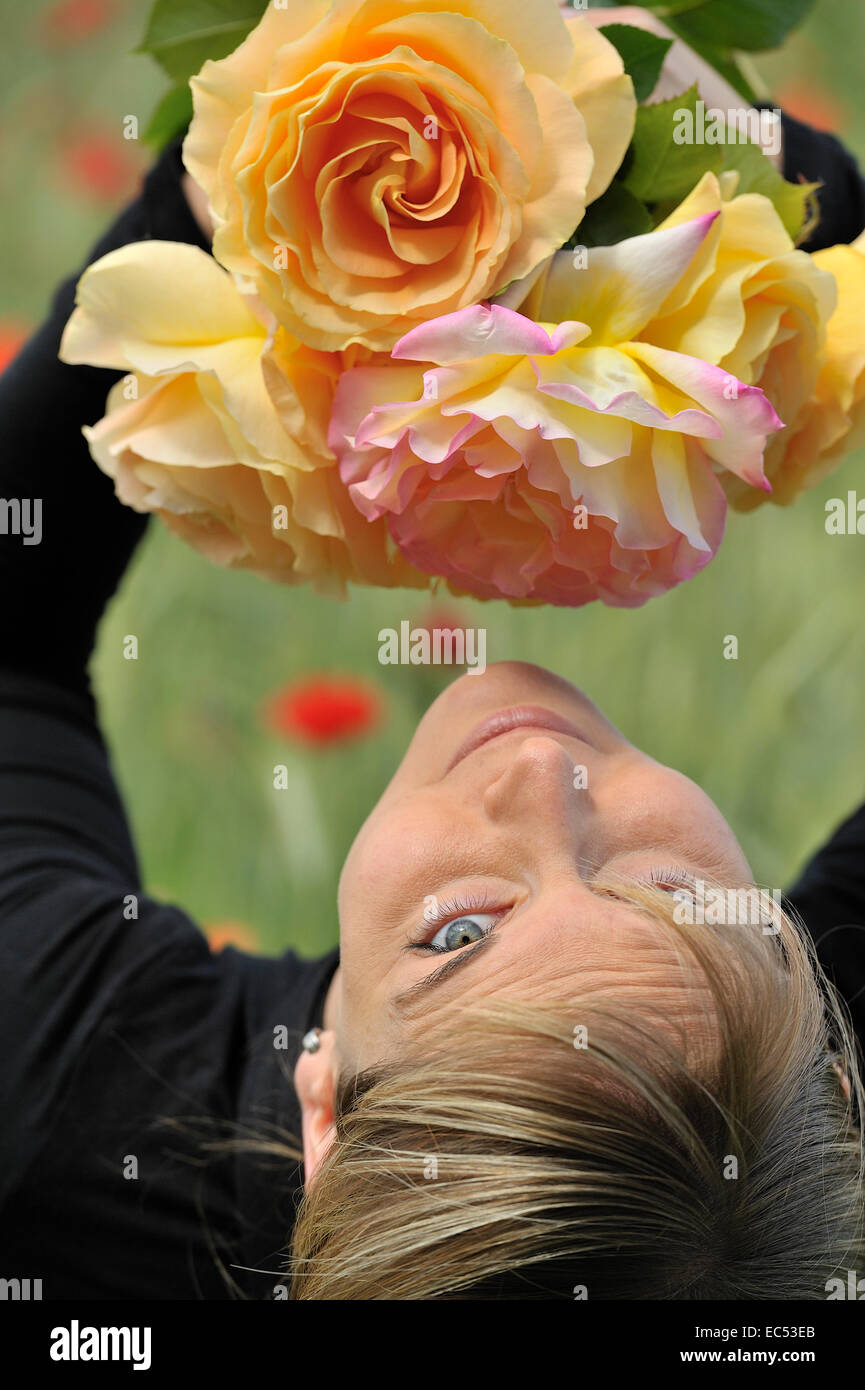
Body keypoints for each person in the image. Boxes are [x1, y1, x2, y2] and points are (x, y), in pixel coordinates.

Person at [1, 30, 864, 1300]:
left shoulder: (58, 1100)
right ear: (838, 1092)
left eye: (460, 934)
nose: (539, 780)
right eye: (676, 899)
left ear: (324, 1126)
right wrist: (766, 179)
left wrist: (245, 204)